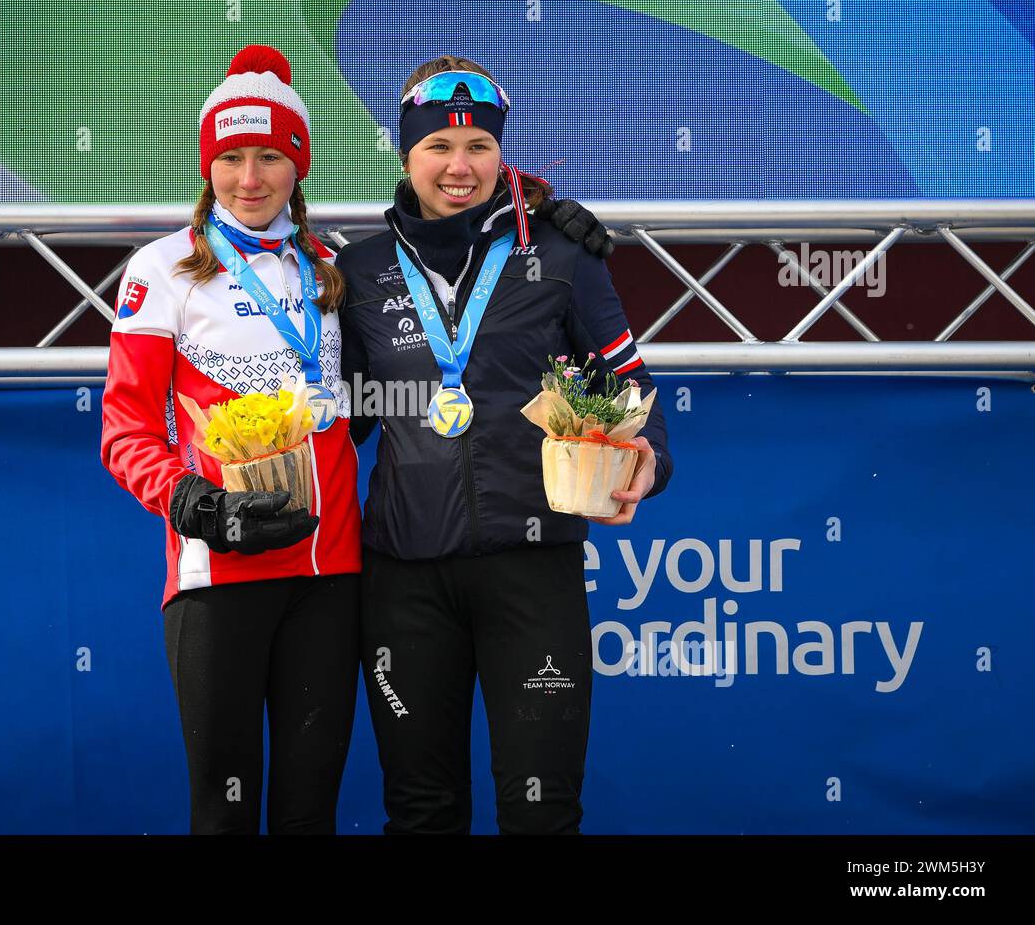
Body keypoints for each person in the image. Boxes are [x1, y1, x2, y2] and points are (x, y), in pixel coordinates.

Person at [335, 55, 674, 834]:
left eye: (479, 146)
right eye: (438, 148)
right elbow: (341, 416)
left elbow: (627, 381)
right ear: (405, 153)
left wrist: (648, 458)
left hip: (533, 572)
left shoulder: (559, 256)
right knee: (422, 812)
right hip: (405, 579)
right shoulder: (358, 269)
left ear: (501, 152)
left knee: (541, 812)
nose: (460, 166)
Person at [100, 45, 361, 834]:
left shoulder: (333, 269)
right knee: (225, 812)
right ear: (208, 165)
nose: (250, 179)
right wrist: (197, 504)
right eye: (232, 157)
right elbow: (125, 432)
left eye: (271, 156)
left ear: (299, 163)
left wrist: (530, 207)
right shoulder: (164, 269)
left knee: (309, 812)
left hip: (331, 571)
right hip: (220, 573)